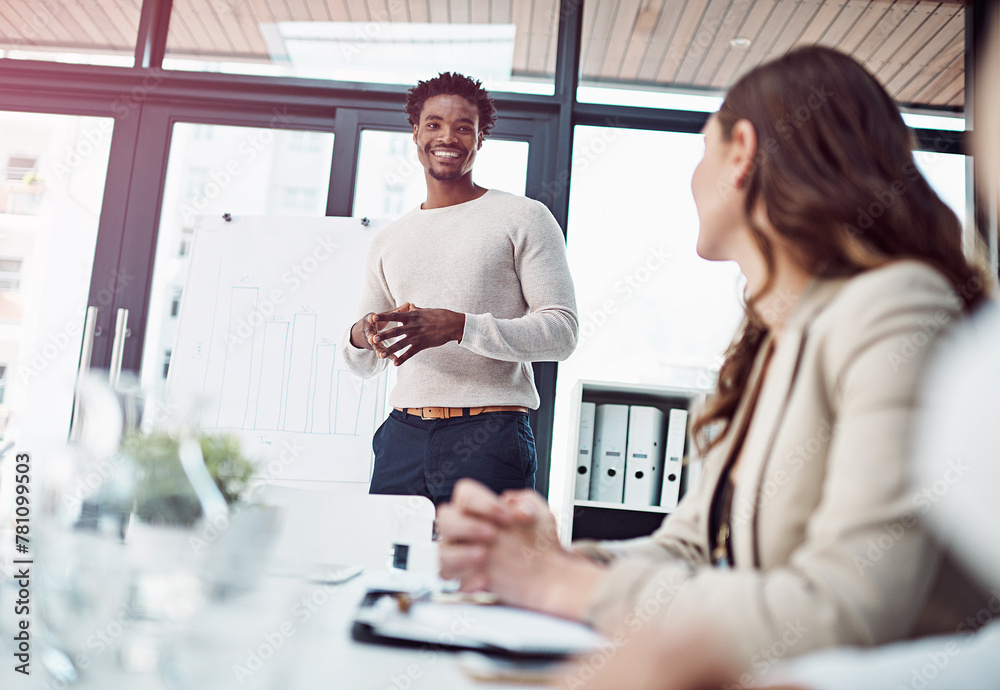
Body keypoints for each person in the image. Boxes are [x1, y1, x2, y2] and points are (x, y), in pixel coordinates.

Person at [436, 45, 993, 678]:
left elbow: (848, 610)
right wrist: (549, 556)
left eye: (704, 148)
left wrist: (563, 586)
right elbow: (693, 546)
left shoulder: (896, 306)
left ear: (743, 152)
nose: (693, 176)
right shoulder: (772, 337)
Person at [341, 72, 578, 504]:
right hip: (401, 437)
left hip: (489, 438)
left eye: (463, 126)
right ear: (415, 132)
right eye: (433, 124)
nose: (447, 136)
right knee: (387, 570)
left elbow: (561, 333)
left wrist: (459, 327)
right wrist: (362, 334)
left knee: (480, 572)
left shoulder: (523, 217)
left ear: (480, 138)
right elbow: (365, 359)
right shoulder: (389, 239)